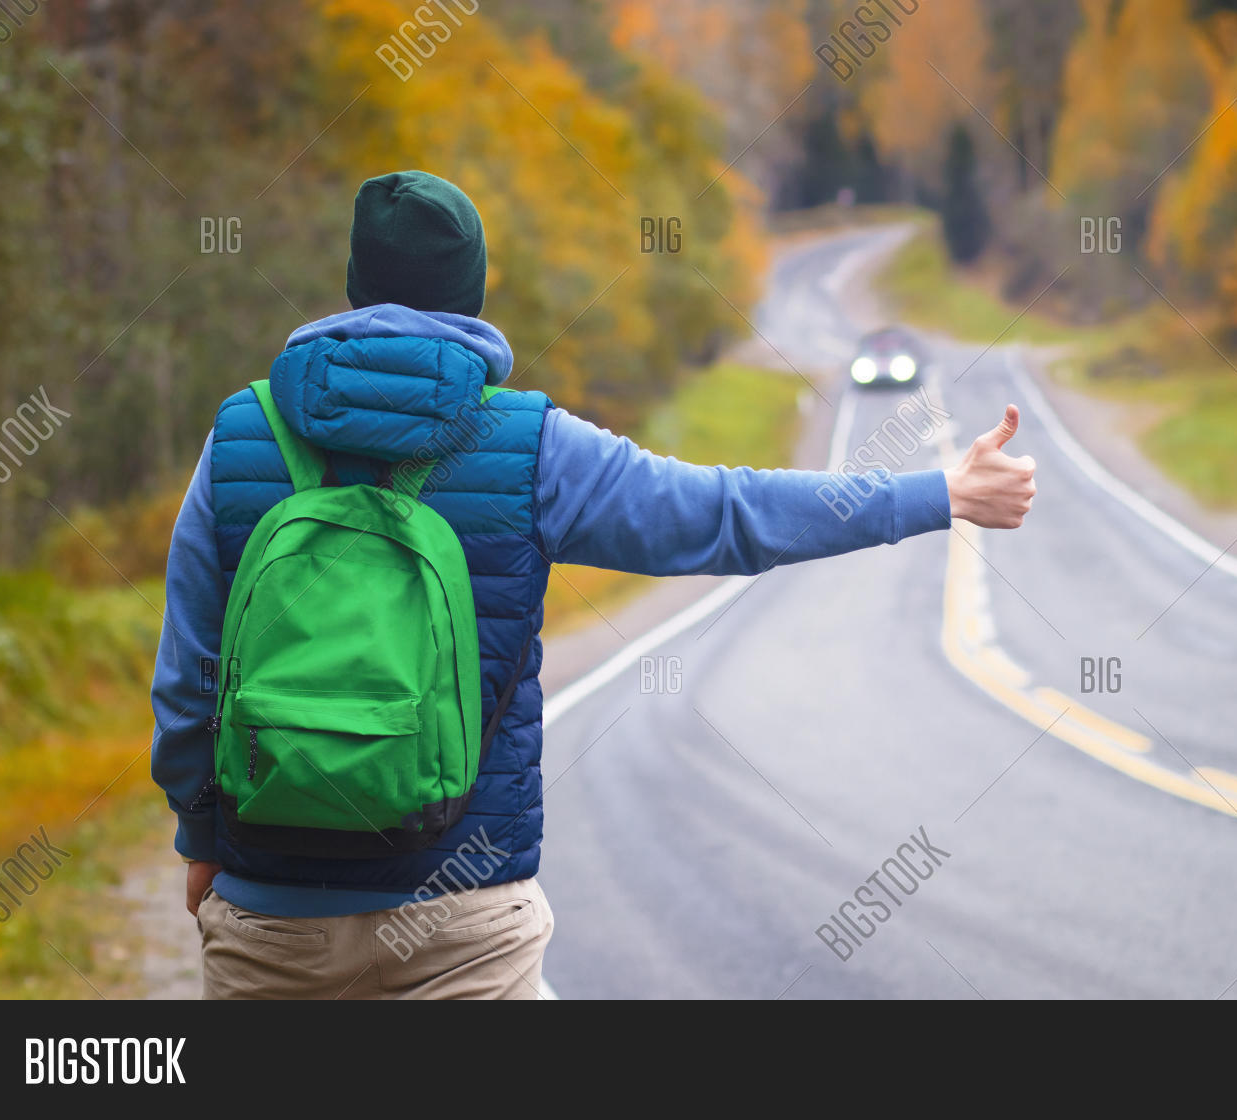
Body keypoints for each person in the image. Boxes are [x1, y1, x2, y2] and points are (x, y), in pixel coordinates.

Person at [150, 170, 1036, 999]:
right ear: (472, 292)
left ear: (353, 283)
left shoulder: (242, 434)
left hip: (269, 923)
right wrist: (940, 493)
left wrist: (202, 840)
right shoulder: (532, 446)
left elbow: (188, 682)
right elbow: (725, 514)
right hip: (463, 932)